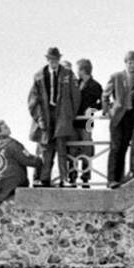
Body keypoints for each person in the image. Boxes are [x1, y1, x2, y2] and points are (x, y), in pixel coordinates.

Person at [28, 46, 81, 187]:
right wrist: (40, 118)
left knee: (61, 147)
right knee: (46, 149)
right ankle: (45, 179)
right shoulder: (39, 76)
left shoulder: (67, 74)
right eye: (51, 59)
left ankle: (64, 178)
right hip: (46, 114)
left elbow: (75, 96)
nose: (54, 62)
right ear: (47, 59)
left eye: (56, 59)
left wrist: (69, 115)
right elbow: (33, 100)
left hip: (62, 115)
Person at [102, 52, 134, 186]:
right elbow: (105, 95)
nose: (132, 65)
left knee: (124, 146)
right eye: (130, 62)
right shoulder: (117, 76)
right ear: (125, 63)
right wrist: (107, 111)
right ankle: (111, 178)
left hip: (131, 115)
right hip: (118, 115)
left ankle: (119, 178)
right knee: (115, 147)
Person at [0, 120, 41, 202]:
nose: (8, 128)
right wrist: (39, 160)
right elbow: (27, 159)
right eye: (5, 128)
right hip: (14, 182)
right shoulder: (12, 145)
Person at [71, 59, 103, 187]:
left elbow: (103, 102)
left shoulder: (95, 86)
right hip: (74, 121)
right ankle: (72, 175)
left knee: (87, 148)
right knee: (72, 148)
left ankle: (85, 176)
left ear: (82, 70)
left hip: (87, 122)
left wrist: (92, 109)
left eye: (78, 69)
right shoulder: (76, 84)